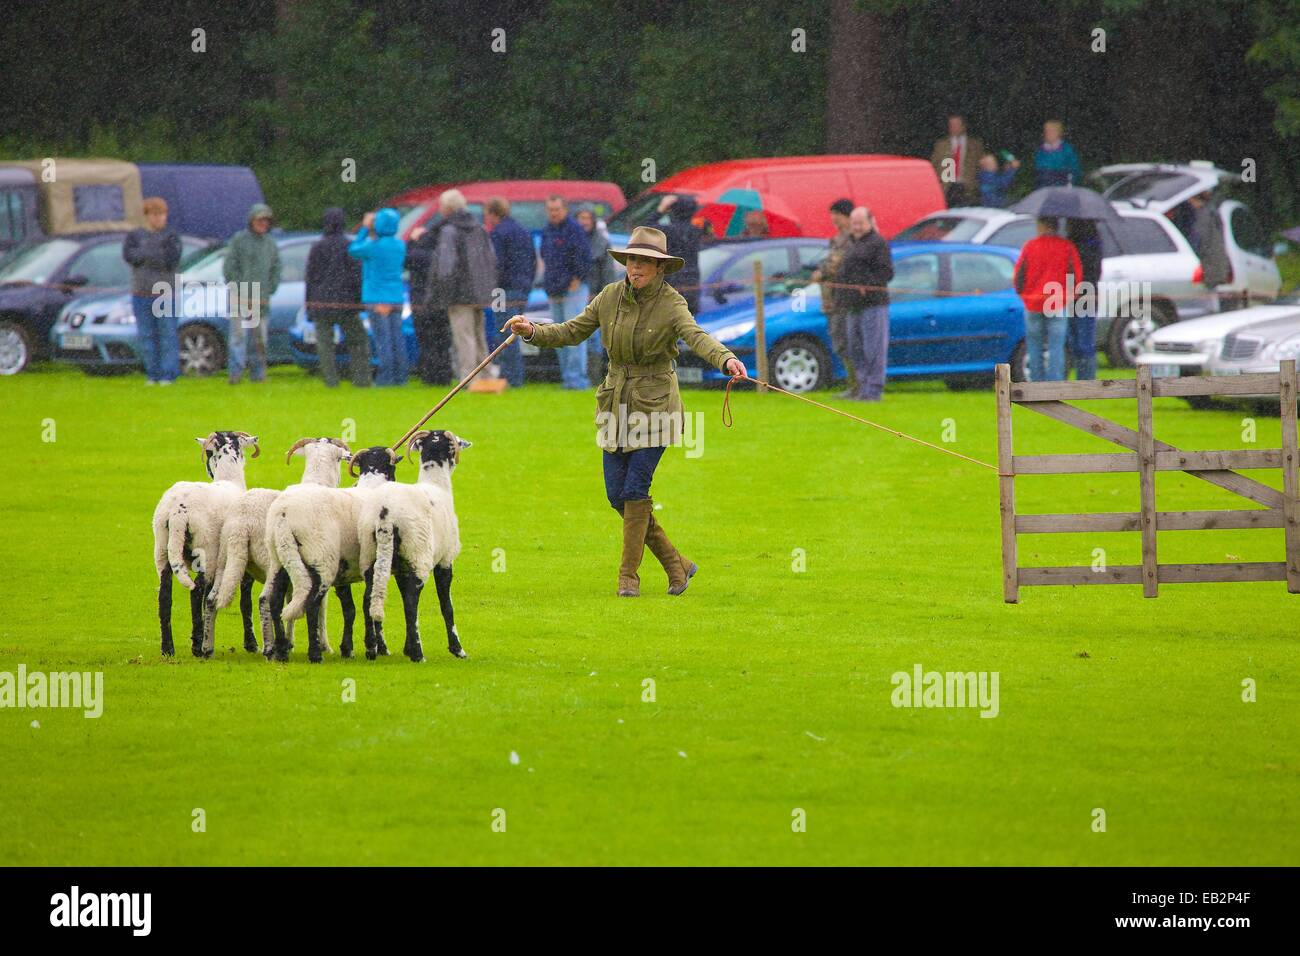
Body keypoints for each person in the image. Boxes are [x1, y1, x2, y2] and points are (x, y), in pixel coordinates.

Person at [504, 226, 747, 598]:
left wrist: (726, 358)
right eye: (633, 260)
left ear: (660, 267)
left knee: (636, 489)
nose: (636, 268)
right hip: (614, 401)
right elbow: (571, 331)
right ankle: (676, 563)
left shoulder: (672, 302)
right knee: (616, 495)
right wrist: (531, 330)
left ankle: (628, 578)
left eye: (645, 262)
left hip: (657, 405)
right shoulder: (609, 296)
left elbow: (697, 336)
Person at [428, 188, 499, 387]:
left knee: (464, 337)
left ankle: (469, 379)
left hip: (459, 293)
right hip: (481, 291)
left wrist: (442, 291)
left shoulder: (449, 230)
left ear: (448, 208)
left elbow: (446, 265)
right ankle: (486, 375)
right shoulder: (479, 227)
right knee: (479, 335)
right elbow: (491, 259)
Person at [305, 207, 370, 387]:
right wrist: (359, 301)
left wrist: (309, 306)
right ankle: (361, 379)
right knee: (357, 342)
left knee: (325, 346)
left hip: (321, 302)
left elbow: (311, 278)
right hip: (346, 303)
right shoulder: (349, 246)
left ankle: (331, 380)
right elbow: (357, 275)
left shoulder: (317, 247)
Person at [1014, 218, 1083, 382]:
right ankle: (1054, 383)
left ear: (1042, 226)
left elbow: (1019, 276)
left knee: (1034, 346)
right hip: (1057, 302)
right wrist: (1071, 293)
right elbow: (1075, 275)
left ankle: (1036, 383)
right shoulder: (1066, 247)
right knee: (1056, 347)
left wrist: (1023, 293)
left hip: (1033, 302)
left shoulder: (1030, 246)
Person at [122, 196, 182, 385]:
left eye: (162, 215)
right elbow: (129, 256)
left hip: (165, 294)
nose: (158, 219)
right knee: (147, 336)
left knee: (167, 336)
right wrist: (152, 252)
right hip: (141, 294)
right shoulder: (134, 236)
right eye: (154, 215)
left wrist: (146, 253)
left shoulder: (172, 237)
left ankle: (168, 375)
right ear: (146, 216)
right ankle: (152, 374)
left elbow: (170, 260)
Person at [837, 207, 894, 402]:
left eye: (860, 223)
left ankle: (873, 390)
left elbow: (887, 273)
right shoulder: (852, 243)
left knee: (874, 349)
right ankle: (862, 388)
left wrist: (867, 286)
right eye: (854, 223)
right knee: (856, 349)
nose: (857, 227)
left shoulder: (878, 243)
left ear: (870, 222)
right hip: (852, 305)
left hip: (873, 304)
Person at [348, 207, 408, 386]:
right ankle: (401, 376)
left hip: (377, 298)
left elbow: (353, 249)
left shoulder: (372, 246)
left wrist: (365, 228)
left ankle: (385, 378)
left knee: (383, 341)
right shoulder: (400, 245)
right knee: (397, 338)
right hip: (396, 297)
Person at [223, 203, 280, 385]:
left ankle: (259, 374)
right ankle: (235, 373)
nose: (263, 223)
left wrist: (270, 289)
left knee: (260, 340)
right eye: (259, 219)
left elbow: (276, 269)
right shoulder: (239, 240)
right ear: (251, 220)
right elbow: (230, 268)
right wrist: (240, 292)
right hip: (238, 298)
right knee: (238, 337)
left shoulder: (271, 244)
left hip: (261, 300)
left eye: (266, 220)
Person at [540, 195, 592, 389]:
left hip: (573, 289)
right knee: (558, 336)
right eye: (551, 210)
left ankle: (577, 379)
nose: (554, 213)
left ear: (565, 210)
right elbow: (546, 257)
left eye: (557, 210)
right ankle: (566, 377)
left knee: (574, 334)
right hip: (554, 289)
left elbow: (584, 256)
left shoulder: (575, 230)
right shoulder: (547, 231)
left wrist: (577, 278)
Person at [486, 196, 535, 388]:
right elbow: (532, 258)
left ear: (492, 213)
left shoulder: (498, 233)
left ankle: (510, 377)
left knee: (503, 332)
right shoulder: (522, 230)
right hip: (522, 287)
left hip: (502, 290)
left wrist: (492, 284)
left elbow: (497, 264)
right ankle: (516, 376)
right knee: (516, 332)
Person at [810, 198, 855, 396]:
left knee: (847, 343)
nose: (834, 220)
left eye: (837, 216)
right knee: (839, 343)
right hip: (831, 301)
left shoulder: (852, 239)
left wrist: (823, 272)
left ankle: (857, 385)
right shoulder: (837, 240)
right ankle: (853, 384)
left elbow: (838, 264)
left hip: (844, 301)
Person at [404, 213, 454, 386]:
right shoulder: (441, 253)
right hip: (441, 302)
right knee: (443, 341)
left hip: (420, 302)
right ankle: (444, 374)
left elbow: (406, 261)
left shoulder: (417, 253)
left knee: (426, 341)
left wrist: (412, 241)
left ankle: (430, 375)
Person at [649, 194, 705, 314]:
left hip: (671, 284)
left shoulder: (667, 231)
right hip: (691, 285)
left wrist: (660, 209)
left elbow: (644, 228)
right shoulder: (696, 231)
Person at [1065, 219, 1102, 380]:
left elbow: (1093, 270)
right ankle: (1083, 376)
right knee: (1078, 340)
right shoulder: (1091, 243)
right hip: (1078, 295)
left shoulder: (1089, 245)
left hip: (1084, 295)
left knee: (1083, 341)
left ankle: (1086, 378)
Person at [1189, 191, 1231, 311]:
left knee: (1209, 292)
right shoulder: (1212, 212)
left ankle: (1212, 314)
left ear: (1195, 199)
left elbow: (1200, 237)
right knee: (1213, 292)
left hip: (1209, 261)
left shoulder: (1203, 215)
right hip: (1216, 259)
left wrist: (1193, 253)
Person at [930, 115, 984, 207]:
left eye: (957, 125)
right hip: (946, 187)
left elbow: (981, 165)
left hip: (967, 187)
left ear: (964, 126)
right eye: (951, 125)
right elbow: (933, 165)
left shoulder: (975, 144)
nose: (953, 128)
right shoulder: (941, 144)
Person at [1034, 120, 1083, 188]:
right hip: (1044, 185)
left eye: (1052, 131)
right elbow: (1039, 169)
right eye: (1047, 131)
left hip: (1062, 184)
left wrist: (1071, 181)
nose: (1049, 133)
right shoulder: (1041, 150)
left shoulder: (1066, 149)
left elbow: (1075, 168)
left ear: (1059, 133)